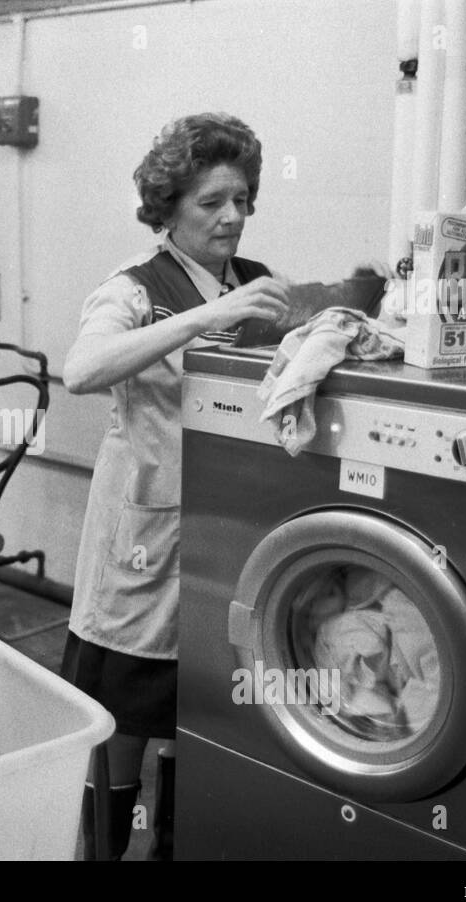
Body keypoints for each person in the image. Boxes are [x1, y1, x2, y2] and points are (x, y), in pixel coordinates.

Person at [61, 113, 290, 860]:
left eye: (243, 199)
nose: (232, 217)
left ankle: (171, 845)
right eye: (211, 202)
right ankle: (103, 847)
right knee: (126, 703)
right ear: (169, 207)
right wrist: (209, 315)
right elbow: (83, 370)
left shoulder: (255, 284)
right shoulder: (133, 288)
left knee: (204, 698)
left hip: (231, 529)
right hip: (147, 538)